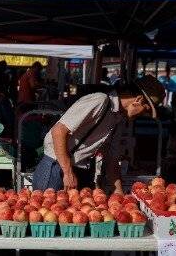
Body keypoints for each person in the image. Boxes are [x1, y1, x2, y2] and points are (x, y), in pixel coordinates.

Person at [32, 75, 166, 193]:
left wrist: (118, 192)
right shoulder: (99, 101)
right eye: (145, 110)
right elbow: (59, 131)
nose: (142, 115)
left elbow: (111, 160)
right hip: (56, 167)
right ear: (139, 100)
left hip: (79, 169)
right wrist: (67, 172)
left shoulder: (118, 120)